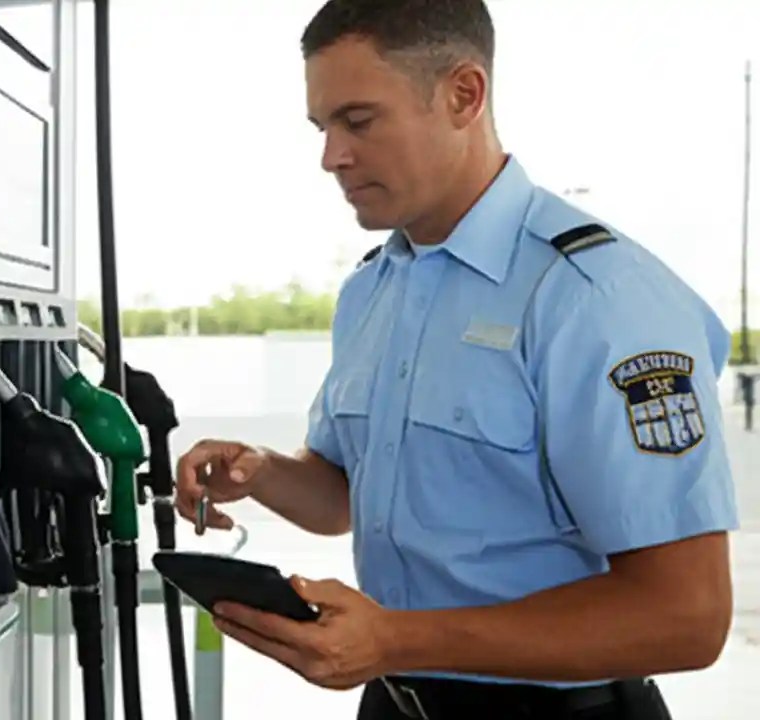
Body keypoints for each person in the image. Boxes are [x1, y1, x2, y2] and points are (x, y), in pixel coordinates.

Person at [173, 1, 739, 718]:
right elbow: (351, 496)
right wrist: (261, 471)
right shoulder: (374, 288)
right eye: (323, 129)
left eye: (359, 120)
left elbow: (685, 616)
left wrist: (396, 641)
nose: (332, 157)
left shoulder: (596, 297)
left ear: (463, 95)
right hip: (393, 703)